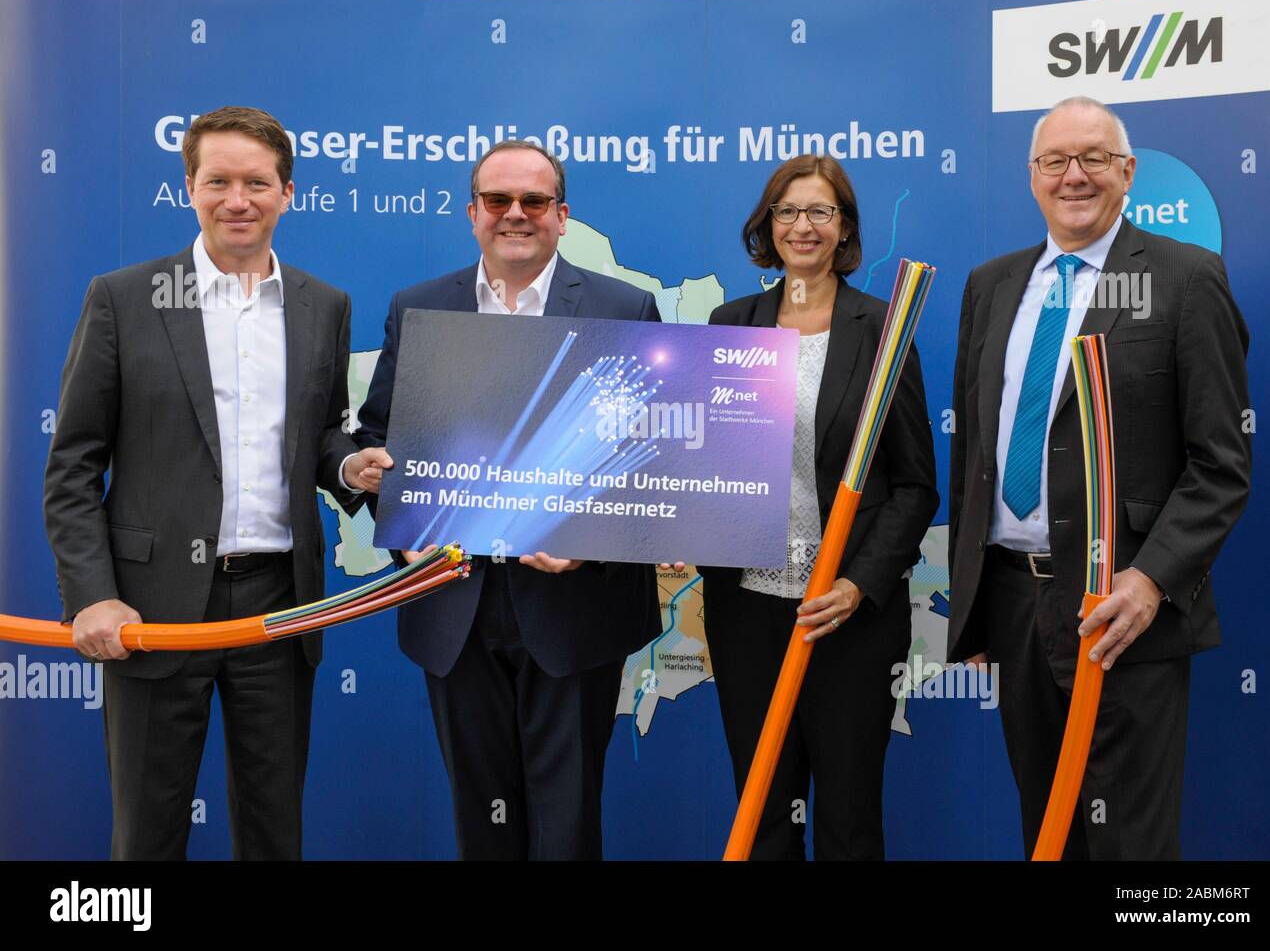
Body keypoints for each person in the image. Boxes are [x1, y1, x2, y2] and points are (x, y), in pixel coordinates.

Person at [42, 105, 388, 860]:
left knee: (274, 835)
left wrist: (348, 466)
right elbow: (71, 465)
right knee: (146, 837)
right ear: (189, 191)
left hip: (280, 606)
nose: (239, 199)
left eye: (257, 182)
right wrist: (93, 592)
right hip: (150, 609)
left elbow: (325, 431)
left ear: (287, 193)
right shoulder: (124, 298)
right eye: (219, 181)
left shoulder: (322, 304)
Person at [947, 96, 1251, 860]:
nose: (1073, 175)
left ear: (1128, 172)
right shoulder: (992, 284)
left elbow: (1221, 463)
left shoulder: (1185, 278)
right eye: (1055, 160)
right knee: (1047, 836)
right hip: (1017, 605)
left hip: (1124, 611)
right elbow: (975, 451)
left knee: (1130, 849)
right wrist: (978, 600)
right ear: (1031, 176)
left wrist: (1150, 580)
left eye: (1092, 159)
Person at [354, 140, 661, 860]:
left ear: (562, 216)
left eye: (533, 201)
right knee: (483, 821)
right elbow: (379, 438)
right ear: (472, 214)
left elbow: (653, 456)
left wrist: (594, 538)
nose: (514, 214)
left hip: (573, 607)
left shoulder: (624, 307)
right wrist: (405, 522)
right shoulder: (420, 306)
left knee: (566, 826)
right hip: (453, 603)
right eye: (498, 200)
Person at [693, 155, 939, 860]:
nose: (803, 225)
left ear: (845, 228)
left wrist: (858, 585)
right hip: (746, 611)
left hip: (848, 617)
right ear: (767, 225)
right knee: (765, 809)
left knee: (848, 818)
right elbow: (705, 461)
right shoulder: (729, 323)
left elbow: (917, 484)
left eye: (820, 211)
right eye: (788, 211)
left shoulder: (883, 327)